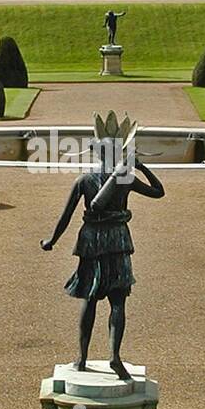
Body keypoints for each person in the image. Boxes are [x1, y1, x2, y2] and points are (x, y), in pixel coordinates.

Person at [40, 134, 164, 380]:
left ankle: (82, 358)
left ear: (98, 155)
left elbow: (66, 216)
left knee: (90, 297)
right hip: (117, 240)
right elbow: (158, 192)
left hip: (92, 241)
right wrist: (141, 166)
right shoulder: (125, 178)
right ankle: (114, 356)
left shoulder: (84, 180)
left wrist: (51, 241)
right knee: (118, 301)